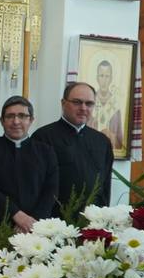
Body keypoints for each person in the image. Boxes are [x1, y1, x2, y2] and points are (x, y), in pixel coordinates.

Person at [0, 97, 59, 234]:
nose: (16, 121)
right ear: (2, 121)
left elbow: (51, 190)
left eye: (22, 116)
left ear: (31, 120)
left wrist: (33, 222)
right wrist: (17, 216)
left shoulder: (46, 152)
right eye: (10, 116)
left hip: (38, 227)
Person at [32, 82, 113, 217]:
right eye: (77, 102)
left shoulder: (102, 141)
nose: (83, 108)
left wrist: (104, 219)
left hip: (92, 222)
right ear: (63, 103)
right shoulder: (43, 137)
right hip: (54, 221)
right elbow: (35, 186)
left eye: (89, 104)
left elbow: (105, 186)